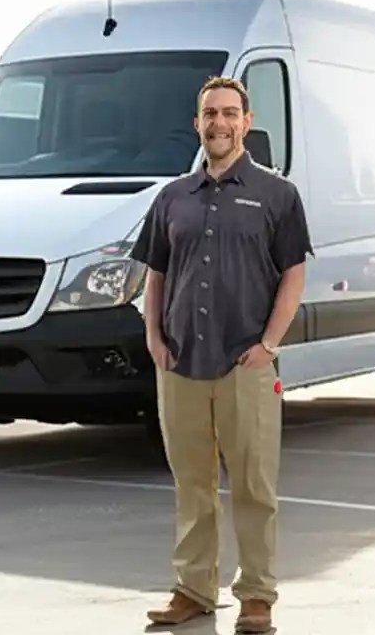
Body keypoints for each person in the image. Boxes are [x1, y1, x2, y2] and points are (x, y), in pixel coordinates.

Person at [131, 75, 313, 632]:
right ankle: (193, 589)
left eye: (230, 113)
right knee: (192, 484)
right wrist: (154, 338)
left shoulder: (277, 195)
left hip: (245, 365)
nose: (220, 123)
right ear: (197, 124)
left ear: (247, 122)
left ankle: (256, 596)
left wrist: (269, 345)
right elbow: (156, 274)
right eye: (211, 113)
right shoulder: (172, 199)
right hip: (180, 363)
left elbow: (294, 274)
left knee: (254, 485)